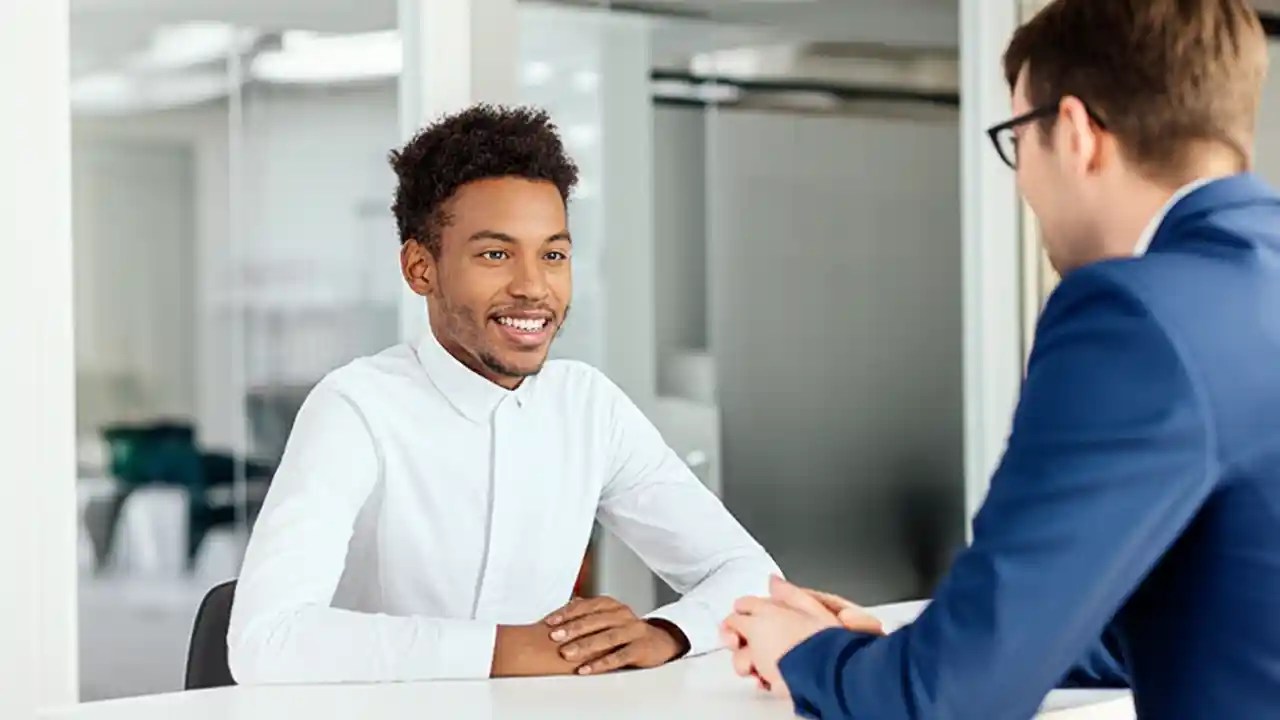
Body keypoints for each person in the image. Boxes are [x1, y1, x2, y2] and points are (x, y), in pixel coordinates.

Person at [723, 1, 1280, 717]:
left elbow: (950, 698)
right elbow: (1202, 604)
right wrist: (904, 644)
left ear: (1076, 134)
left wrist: (805, 656)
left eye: (1019, 138)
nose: (1021, 180)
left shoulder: (1134, 316)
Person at [227, 104, 779, 684]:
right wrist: (515, 651)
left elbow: (749, 576)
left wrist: (667, 633)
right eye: (495, 254)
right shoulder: (356, 408)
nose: (532, 286)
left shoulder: (588, 406)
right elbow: (267, 640)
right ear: (421, 268)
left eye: (553, 255)